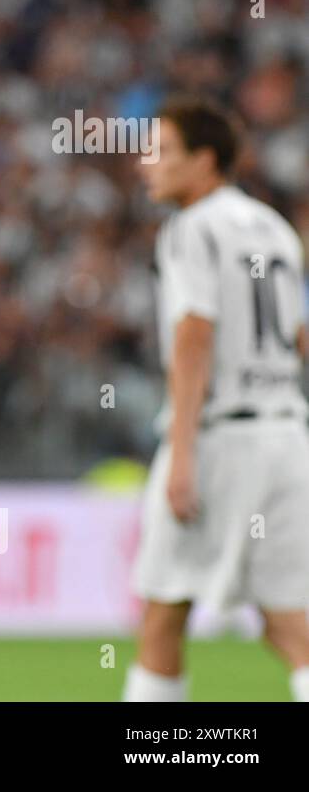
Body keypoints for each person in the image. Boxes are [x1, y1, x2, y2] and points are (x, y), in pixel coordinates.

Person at [125, 97, 309, 702]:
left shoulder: (191, 227)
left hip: (220, 439)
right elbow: (300, 335)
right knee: (289, 623)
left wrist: (181, 455)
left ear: (204, 161)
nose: (147, 163)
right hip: (286, 437)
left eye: (163, 150)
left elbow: (194, 334)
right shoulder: (275, 228)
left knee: (163, 612)